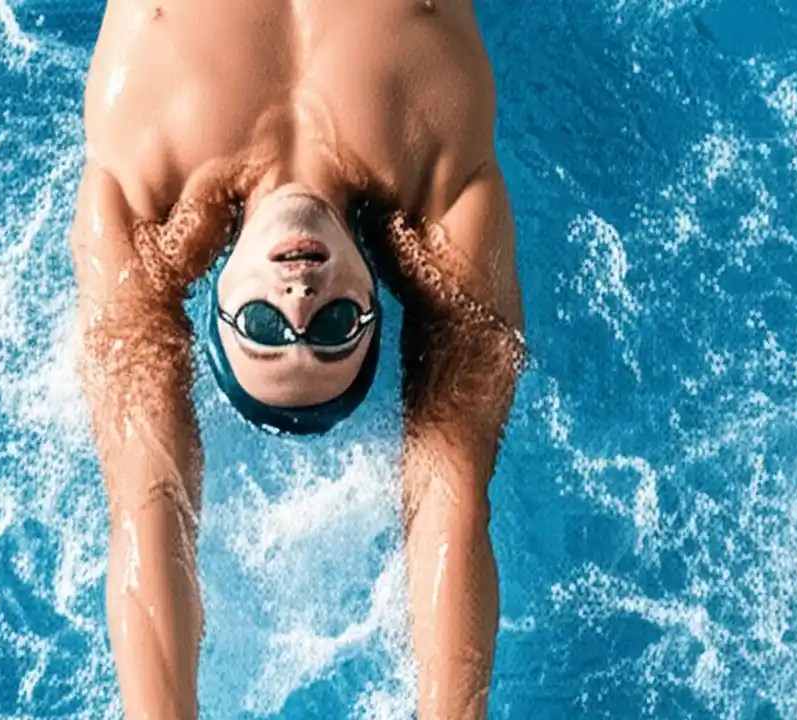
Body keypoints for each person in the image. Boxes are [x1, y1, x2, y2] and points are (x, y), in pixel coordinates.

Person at [68, 1, 525, 717]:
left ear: (217, 299)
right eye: (337, 326)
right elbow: (452, 492)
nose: (300, 303)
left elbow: (147, 498)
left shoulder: (140, 194)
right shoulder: (440, 183)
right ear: (375, 297)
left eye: (261, 327)